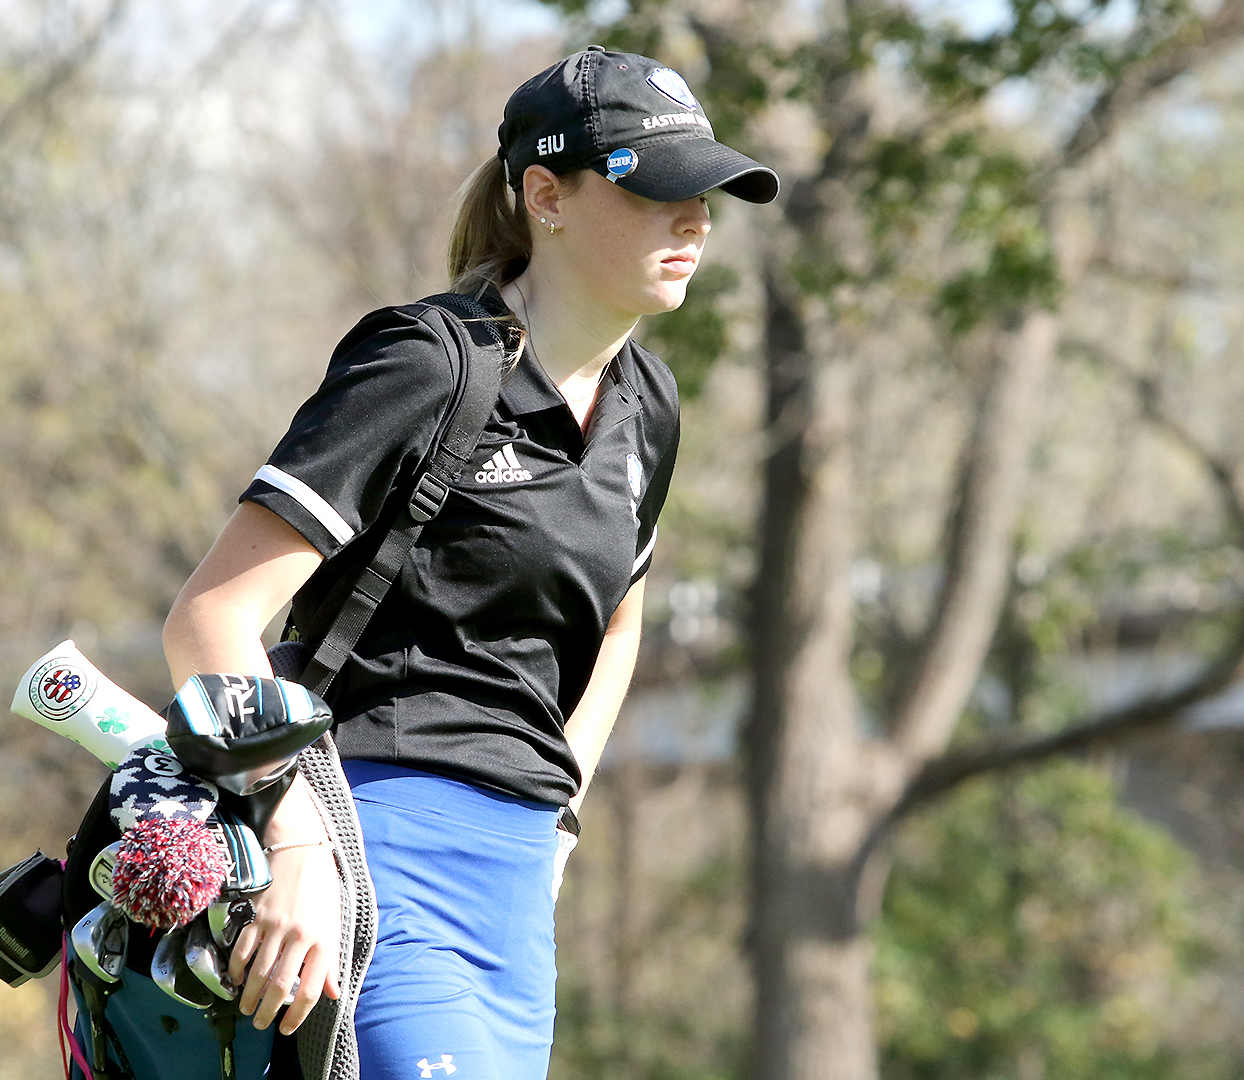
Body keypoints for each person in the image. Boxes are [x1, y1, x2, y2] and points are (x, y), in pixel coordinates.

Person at [160, 45, 778, 1079]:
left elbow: (620, 620)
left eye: (704, 195)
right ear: (547, 196)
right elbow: (209, 621)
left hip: (518, 892)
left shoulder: (649, 405)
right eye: (656, 191)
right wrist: (296, 839)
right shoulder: (424, 363)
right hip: (370, 848)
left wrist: (563, 818)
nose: (694, 222)